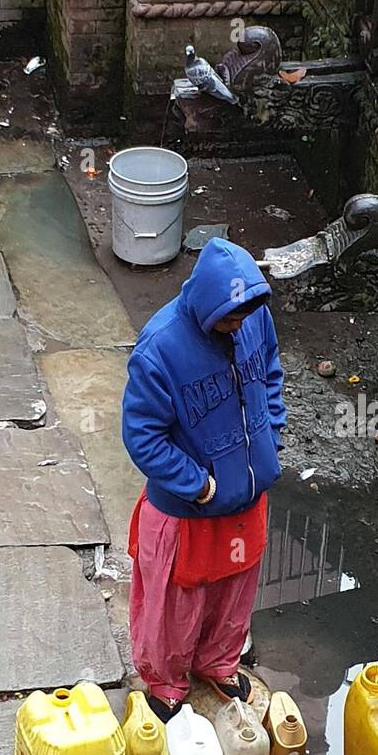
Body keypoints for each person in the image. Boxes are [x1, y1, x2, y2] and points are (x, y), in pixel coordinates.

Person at [121, 237, 286, 722]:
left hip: (246, 498)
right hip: (189, 510)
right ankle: (167, 681)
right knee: (177, 603)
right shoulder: (158, 350)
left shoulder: (254, 316)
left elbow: (271, 373)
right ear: (207, 307)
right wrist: (198, 484)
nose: (239, 326)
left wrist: (271, 432)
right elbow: (142, 436)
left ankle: (218, 660)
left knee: (234, 590)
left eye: (244, 316)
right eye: (229, 318)